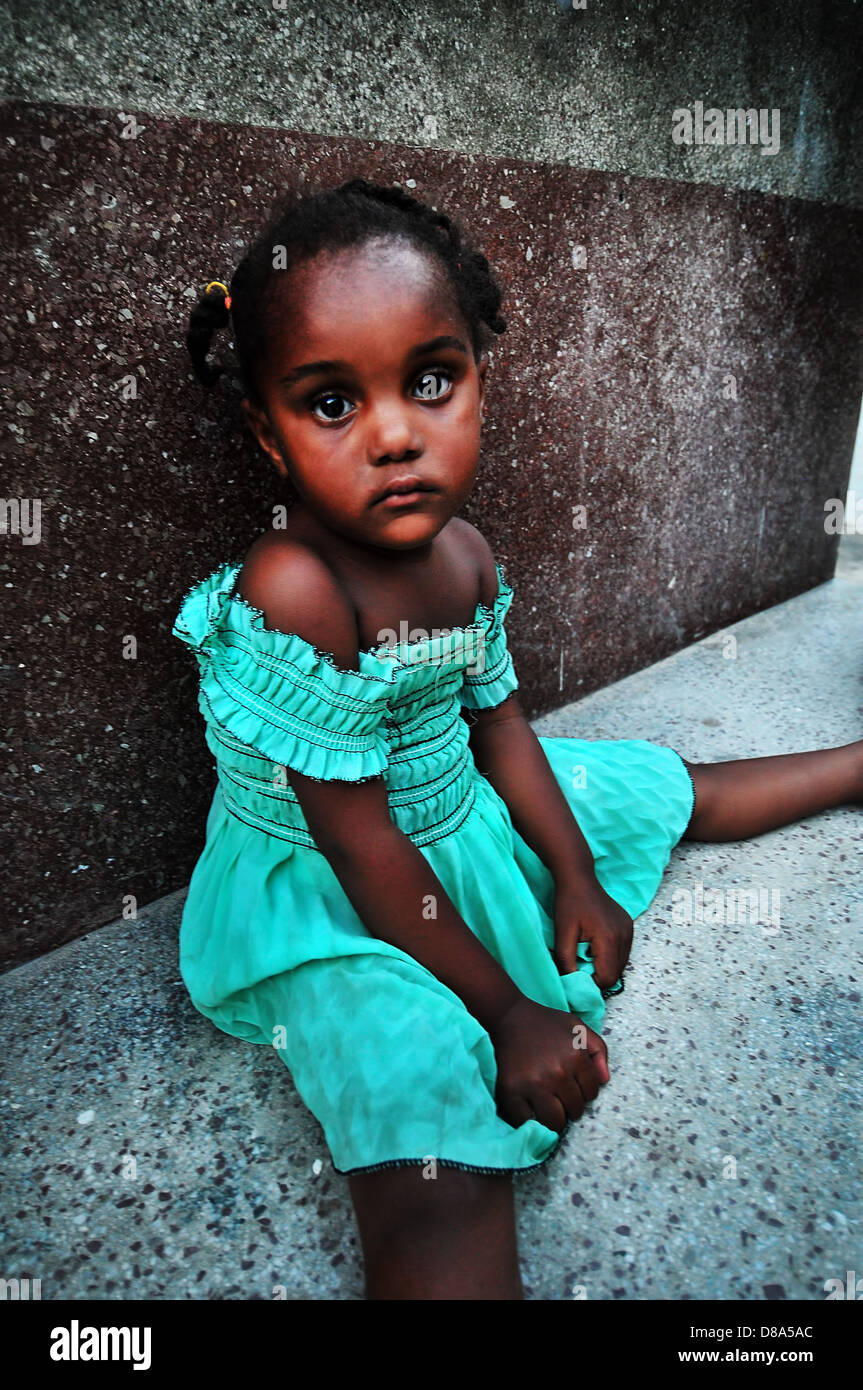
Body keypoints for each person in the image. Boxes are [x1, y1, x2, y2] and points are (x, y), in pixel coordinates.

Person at [173, 176, 862, 1300]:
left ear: (479, 384)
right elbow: (360, 847)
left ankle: (851, 763)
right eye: (331, 403)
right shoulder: (294, 588)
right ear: (267, 430)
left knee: (634, 785)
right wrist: (506, 1008)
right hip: (333, 886)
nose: (395, 433)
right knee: (417, 1081)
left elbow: (498, 728)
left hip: (454, 809)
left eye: (430, 381)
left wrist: (578, 877)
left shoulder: (467, 555)